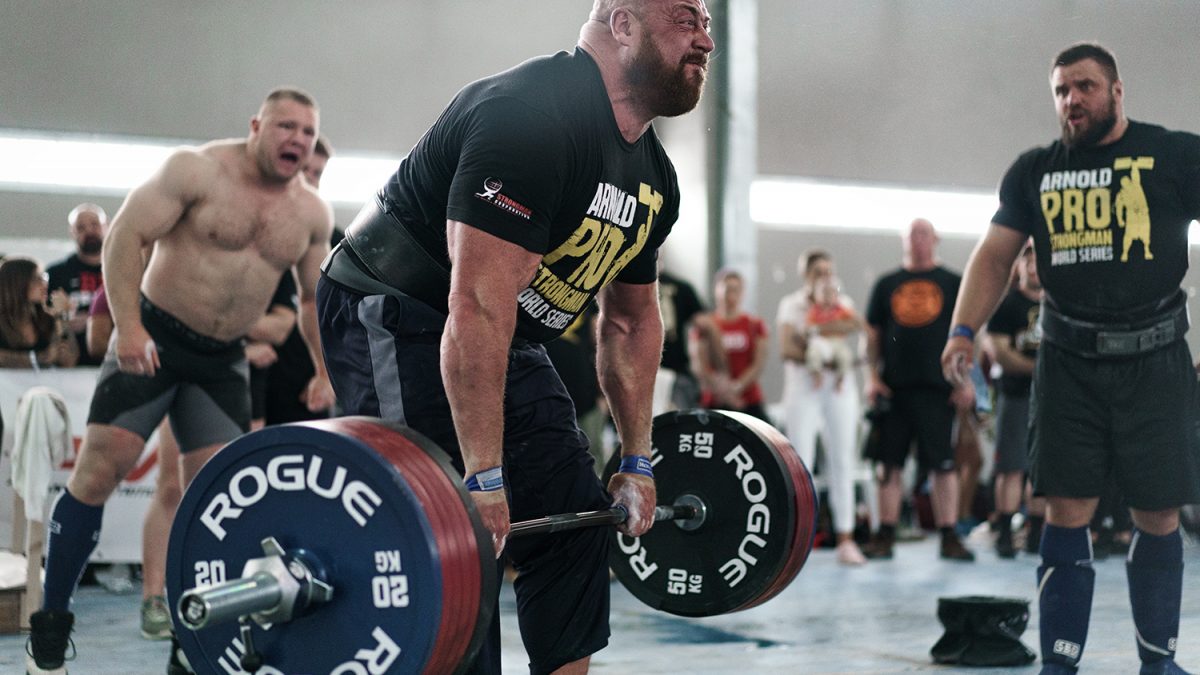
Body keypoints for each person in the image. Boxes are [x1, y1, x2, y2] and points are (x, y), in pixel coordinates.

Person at [316, 2, 713, 671]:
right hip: (396, 309)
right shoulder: (531, 117)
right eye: (685, 19)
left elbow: (630, 322)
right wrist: (483, 477)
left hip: (505, 335)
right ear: (622, 26)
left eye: (708, 23)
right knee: (452, 535)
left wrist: (638, 459)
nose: (704, 39)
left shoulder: (655, 180)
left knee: (575, 518)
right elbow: (474, 304)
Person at [25, 87, 335, 675]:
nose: (297, 138)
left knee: (218, 502)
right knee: (98, 473)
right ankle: (50, 628)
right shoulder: (196, 170)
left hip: (222, 362)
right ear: (256, 126)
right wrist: (130, 326)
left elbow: (310, 300)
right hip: (156, 340)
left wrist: (323, 369)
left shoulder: (312, 213)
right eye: (285, 126)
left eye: (308, 132)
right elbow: (125, 235)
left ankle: (190, 648)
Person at [942, 44, 1200, 675]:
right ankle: (1060, 665)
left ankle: (1158, 663)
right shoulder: (1035, 170)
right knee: (1065, 509)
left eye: (1084, 86)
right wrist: (963, 330)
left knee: (1158, 511)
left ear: (1117, 91)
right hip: (1069, 365)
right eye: (1061, 90)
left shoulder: (1173, 155)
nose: (1071, 100)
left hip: (1157, 359)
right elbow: (995, 256)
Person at [862, 218, 976, 562]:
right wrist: (871, 377)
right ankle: (885, 534)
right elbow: (871, 336)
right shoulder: (886, 284)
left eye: (924, 233)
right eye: (913, 233)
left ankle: (949, 535)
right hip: (893, 390)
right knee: (888, 465)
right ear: (904, 240)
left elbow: (968, 334)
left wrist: (965, 381)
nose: (918, 239)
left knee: (943, 465)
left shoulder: (953, 282)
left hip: (938, 389)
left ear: (935, 239)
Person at [777, 249, 867, 565]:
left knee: (842, 459)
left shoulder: (844, 302)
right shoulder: (792, 305)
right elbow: (787, 347)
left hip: (839, 389)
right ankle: (799, 539)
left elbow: (857, 330)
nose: (825, 277)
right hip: (804, 386)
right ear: (806, 275)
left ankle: (846, 537)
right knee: (801, 460)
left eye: (829, 271)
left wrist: (827, 344)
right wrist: (819, 345)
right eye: (818, 272)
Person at [264, 135, 344, 425]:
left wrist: (326, 374)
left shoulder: (336, 241)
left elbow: (341, 318)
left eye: (317, 174)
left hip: (306, 380)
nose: (310, 179)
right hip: (256, 372)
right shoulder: (256, 231)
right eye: (305, 170)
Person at [984, 242, 1046, 558]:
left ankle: (1036, 532)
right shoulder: (1007, 304)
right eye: (1028, 261)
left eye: (1038, 261)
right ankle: (1006, 532)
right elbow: (1000, 351)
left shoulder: (1058, 304)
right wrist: (1039, 369)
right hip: (1016, 394)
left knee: (1042, 467)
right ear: (1019, 266)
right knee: (1011, 465)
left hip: (1050, 399)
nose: (1033, 267)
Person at [689, 268, 771, 422]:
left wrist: (737, 387)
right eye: (727, 289)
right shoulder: (706, 326)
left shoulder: (755, 325)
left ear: (743, 292)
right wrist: (723, 391)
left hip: (747, 399)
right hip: (714, 399)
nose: (731, 295)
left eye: (736, 290)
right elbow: (699, 364)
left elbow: (758, 364)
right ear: (717, 291)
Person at [47, 204, 108, 366]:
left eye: (94, 224)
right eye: (81, 227)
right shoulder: (55, 274)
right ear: (72, 232)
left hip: (115, 361)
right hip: (70, 365)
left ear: (106, 226)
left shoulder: (125, 271)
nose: (89, 231)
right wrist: (63, 323)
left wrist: (92, 321)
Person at [0, 256, 79, 369]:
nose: (44, 284)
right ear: (16, 283)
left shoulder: (46, 318)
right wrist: (39, 359)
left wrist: (62, 316)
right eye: (37, 279)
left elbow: (69, 361)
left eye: (44, 277)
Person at [655, 263, 706, 411]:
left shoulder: (681, 287)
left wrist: (705, 370)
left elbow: (706, 327)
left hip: (674, 370)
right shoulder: (681, 287)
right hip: (646, 371)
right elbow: (707, 327)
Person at [803, 275, 858, 391]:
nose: (827, 297)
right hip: (820, 341)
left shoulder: (840, 309)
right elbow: (809, 327)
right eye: (823, 293)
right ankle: (816, 375)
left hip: (837, 341)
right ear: (816, 295)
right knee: (813, 354)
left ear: (836, 295)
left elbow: (854, 321)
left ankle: (840, 379)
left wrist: (839, 326)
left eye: (830, 293)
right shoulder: (815, 311)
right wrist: (816, 330)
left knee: (845, 356)